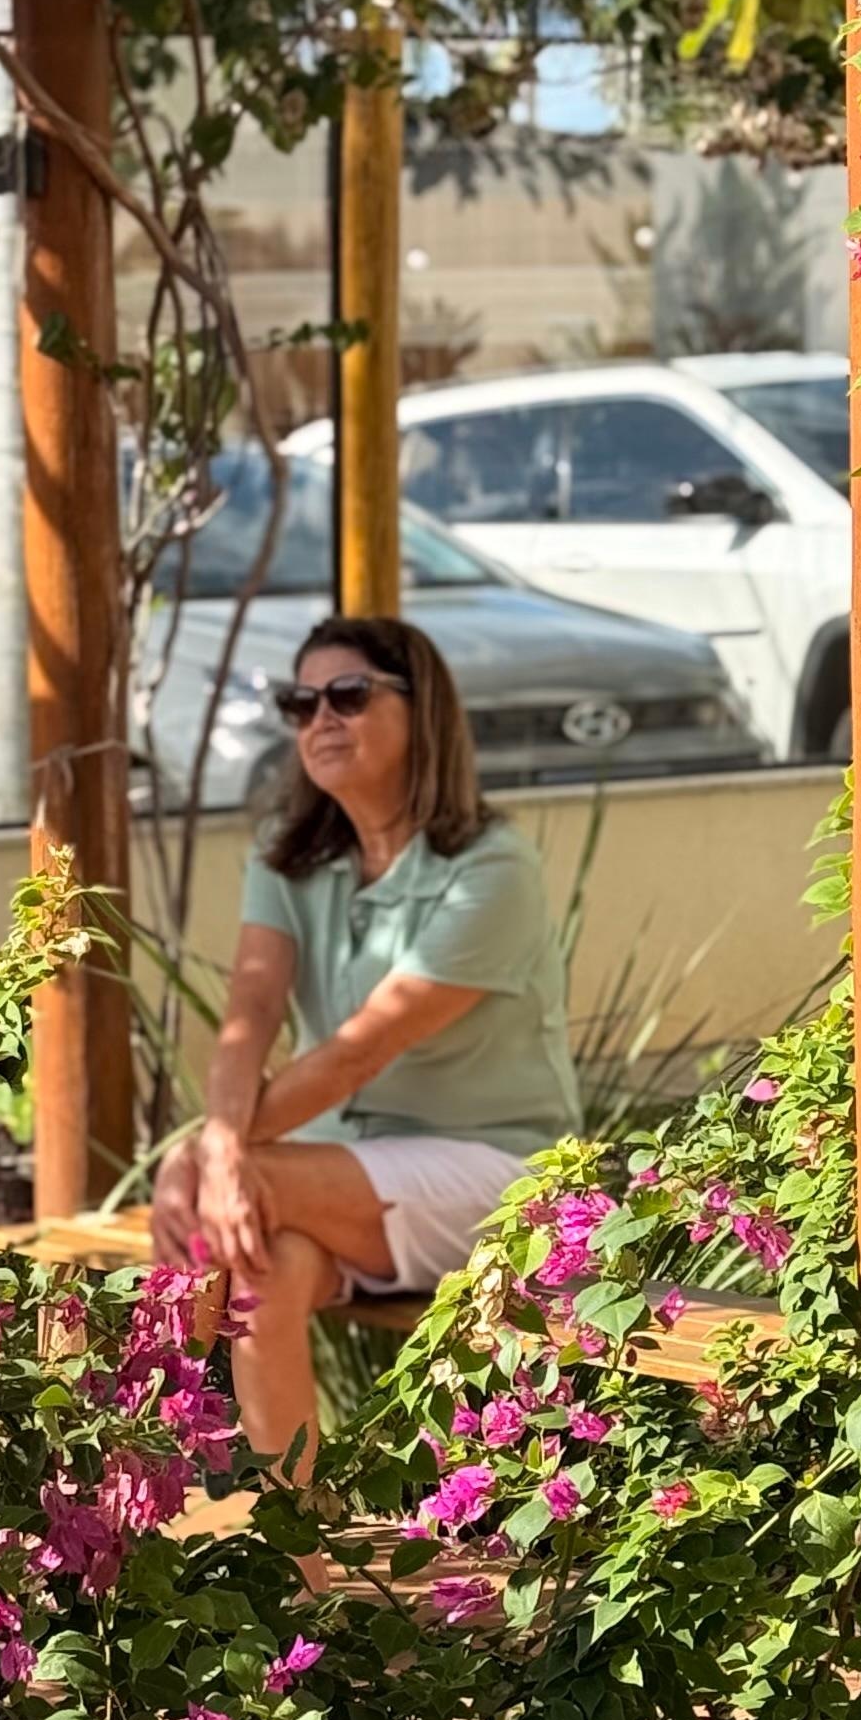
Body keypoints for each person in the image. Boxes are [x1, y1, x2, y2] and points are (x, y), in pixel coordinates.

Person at [151, 612, 581, 1488]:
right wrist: (210, 1144)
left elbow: (357, 1053)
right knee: (263, 1278)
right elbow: (249, 1013)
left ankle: (143, 1439)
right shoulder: (287, 859)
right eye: (300, 702)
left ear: (422, 712)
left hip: (498, 1174)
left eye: (347, 695)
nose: (321, 719)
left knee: (238, 1195)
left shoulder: (492, 868)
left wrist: (208, 1153)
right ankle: (303, 1555)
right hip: (350, 1171)